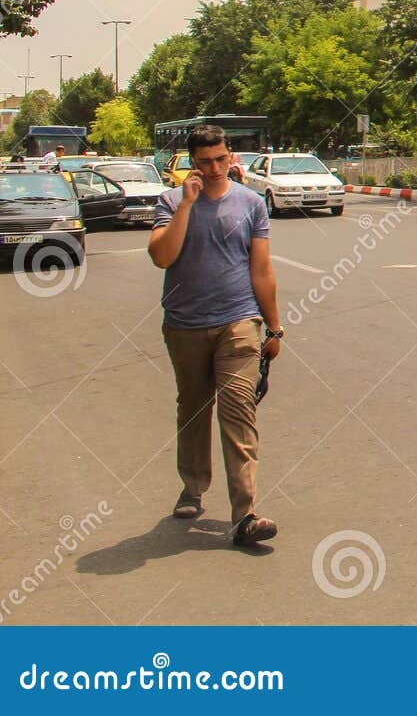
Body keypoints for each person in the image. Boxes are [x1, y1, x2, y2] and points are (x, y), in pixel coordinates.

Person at [147, 124, 282, 547]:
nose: (215, 168)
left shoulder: (251, 204)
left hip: (238, 322)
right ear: (192, 163)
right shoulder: (170, 201)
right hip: (185, 325)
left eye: (221, 159)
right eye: (205, 162)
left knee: (238, 410)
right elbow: (161, 256)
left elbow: (261, 271)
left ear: (230, 155)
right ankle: (193, 486)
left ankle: (245, 514)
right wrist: (187, 205)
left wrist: (274, 327)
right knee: (193, 406)